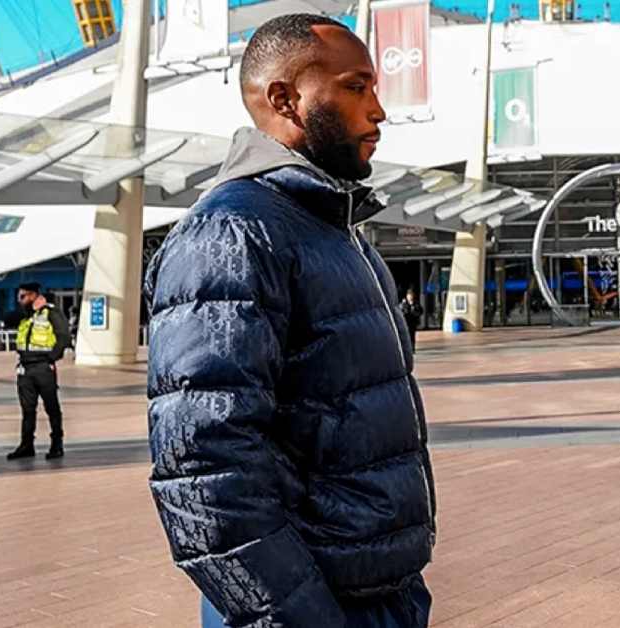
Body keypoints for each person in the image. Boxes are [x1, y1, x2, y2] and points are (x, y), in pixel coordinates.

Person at [145, 14, 434, 628]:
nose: (379, 110)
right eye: (357, 88)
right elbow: (204, 469)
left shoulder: (334, 229)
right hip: (307, 603)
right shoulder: (232, 232)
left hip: (380, 593)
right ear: (285, 100)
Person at [3, 282, 71, 461]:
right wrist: (30, 310)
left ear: (34, 295)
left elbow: (64, 336)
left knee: (52, 407)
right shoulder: (24, 315)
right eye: (19, 296)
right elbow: (7, 319)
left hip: (43, 367)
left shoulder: (51, 313)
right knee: (27, 409)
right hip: (25, 367)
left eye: (23, 296)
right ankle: (26, 445)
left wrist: (52, 358)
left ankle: (57, 444)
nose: (20, 300)